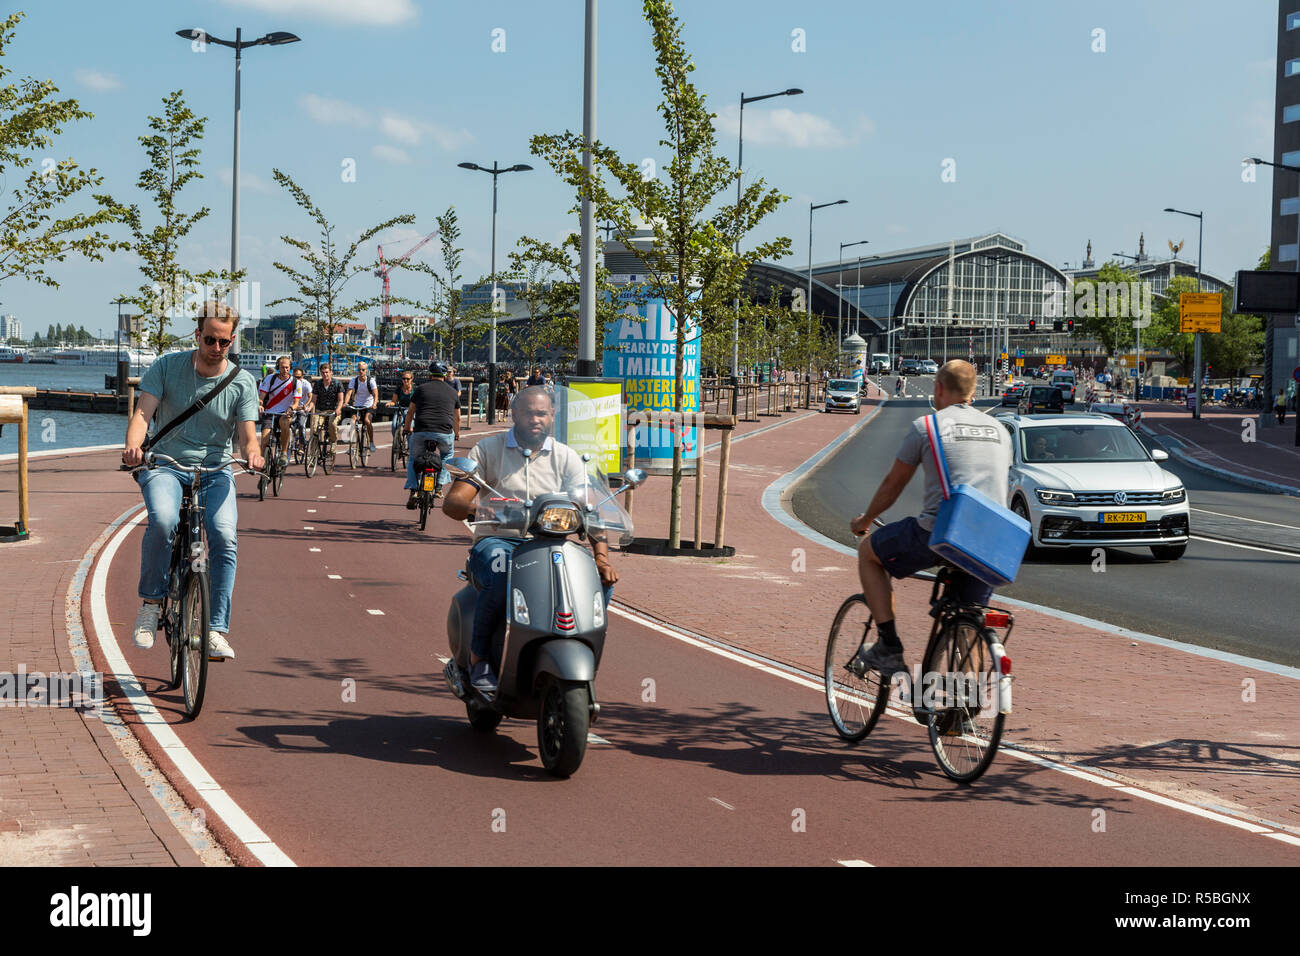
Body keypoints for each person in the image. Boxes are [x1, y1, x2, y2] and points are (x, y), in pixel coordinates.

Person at [442, 386, 617, 695]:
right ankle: (479, 656)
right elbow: (454, 502)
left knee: (598, 578)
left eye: (542, 413)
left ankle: (580, 644)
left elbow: (590, 508)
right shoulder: (489, 450)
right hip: (499, 541)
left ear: (553, 416)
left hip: (553, 542)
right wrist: (485, 508)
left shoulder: (567, 458)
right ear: (514, 415)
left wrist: (602, 555)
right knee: (498, 574)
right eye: (528, 413)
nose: (535, 419)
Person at [847, 360, 1012, 676]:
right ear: (974, 392)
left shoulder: (927, 427)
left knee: (868, 553)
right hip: (991, 542)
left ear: (938, 388)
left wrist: (866, 518)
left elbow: (894, 485)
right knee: (969, 622)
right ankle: (959, 712)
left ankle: (888, 646)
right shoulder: (1001, 431)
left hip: (942, 534)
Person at [122, 301, 263, 662]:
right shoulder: (168, 367)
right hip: (166, 465)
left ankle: (215, 629)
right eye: (210, 340)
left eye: (224, 342)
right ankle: (151, 603)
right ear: (197, 335)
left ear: (233, 340)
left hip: (215, 471)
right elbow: (143, 413)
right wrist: (134, 447)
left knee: (225, 536)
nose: (216, 349)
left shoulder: (242, 381)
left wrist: (253, 453)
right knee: (165, 519)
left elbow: (249, 434)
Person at [402, 362, 460, 508]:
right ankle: (439, 487)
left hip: (421, 430)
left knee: (413, 458)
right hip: (444, 433)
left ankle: (414, 490)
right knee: (446, 456)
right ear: (445, 375)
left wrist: (407, 428)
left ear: (430, 374)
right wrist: (457, 433)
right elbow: (457, 418)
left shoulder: (421, 389)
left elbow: (410, 411)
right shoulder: (453, 392)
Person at [257, 355, 296, 465]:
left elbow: (296, 402)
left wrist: (291, 408)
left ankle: (283, 452)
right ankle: (262, 462)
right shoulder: (270, 379)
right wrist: (260, 404)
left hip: (284, 413)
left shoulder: (294, 382)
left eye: (287, 367)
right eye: (283, 367)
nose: (285, 370)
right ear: (278, 367)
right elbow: (261, 396)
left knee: (285, 424)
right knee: (264, 439)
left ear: (290, 367)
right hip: (270, 412)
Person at [306, 363, 344, 450]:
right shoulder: (318, 384)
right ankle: (312, 452)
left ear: (330, 372)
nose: (325, 374)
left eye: (327, 372)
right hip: (320, 411)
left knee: (332, 424)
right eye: (323, 372)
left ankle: (333, 441)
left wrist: (338, 409)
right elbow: (313, 401)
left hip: (333, 411)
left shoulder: (337, 383)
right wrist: (309, 408)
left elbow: (341, 400)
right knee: (314, 427)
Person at [344, 361, 379, 454]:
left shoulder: (371, 381)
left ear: (366, 370)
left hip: (369, 405)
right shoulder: (354, 380)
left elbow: (375, 394)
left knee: (367, 421)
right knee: (352, 422)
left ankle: (371, 442)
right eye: (359, 369)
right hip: (357, 405)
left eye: (363, 370)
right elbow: (349, 393)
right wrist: (345, 402)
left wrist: (375, 403)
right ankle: (352, 445)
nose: (361, 371)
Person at [384, 370, 415, 442]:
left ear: (411, 379)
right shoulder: (399, 389)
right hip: (400, 409)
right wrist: (389, 404)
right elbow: (394, 401)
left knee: (411, 426)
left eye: (408, 379)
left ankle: (410, 445)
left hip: (411, 410)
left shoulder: (415, 390)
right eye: (404, 379)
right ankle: (396, 442)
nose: (405, 380)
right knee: (394, 425)